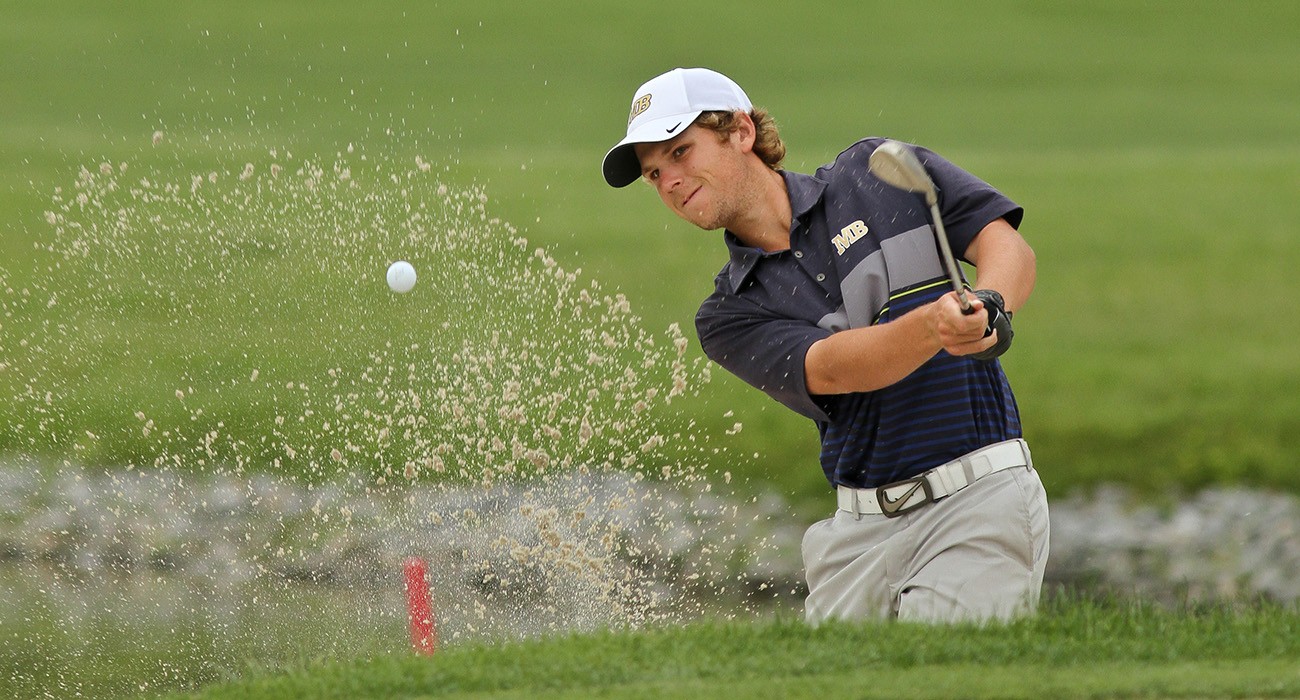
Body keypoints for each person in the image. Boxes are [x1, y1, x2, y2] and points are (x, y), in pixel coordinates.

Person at [601, 67, 1049, 624]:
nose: (668, 180)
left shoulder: (876, 172)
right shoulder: (729, 314)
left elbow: (1006, 248)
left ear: (741, 132)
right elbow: (836, 369)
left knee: (941, 672)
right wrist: (933, 326)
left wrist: (991, 304)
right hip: (856, 536)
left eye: (681, 152)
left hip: (976, 497)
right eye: (653, 173)